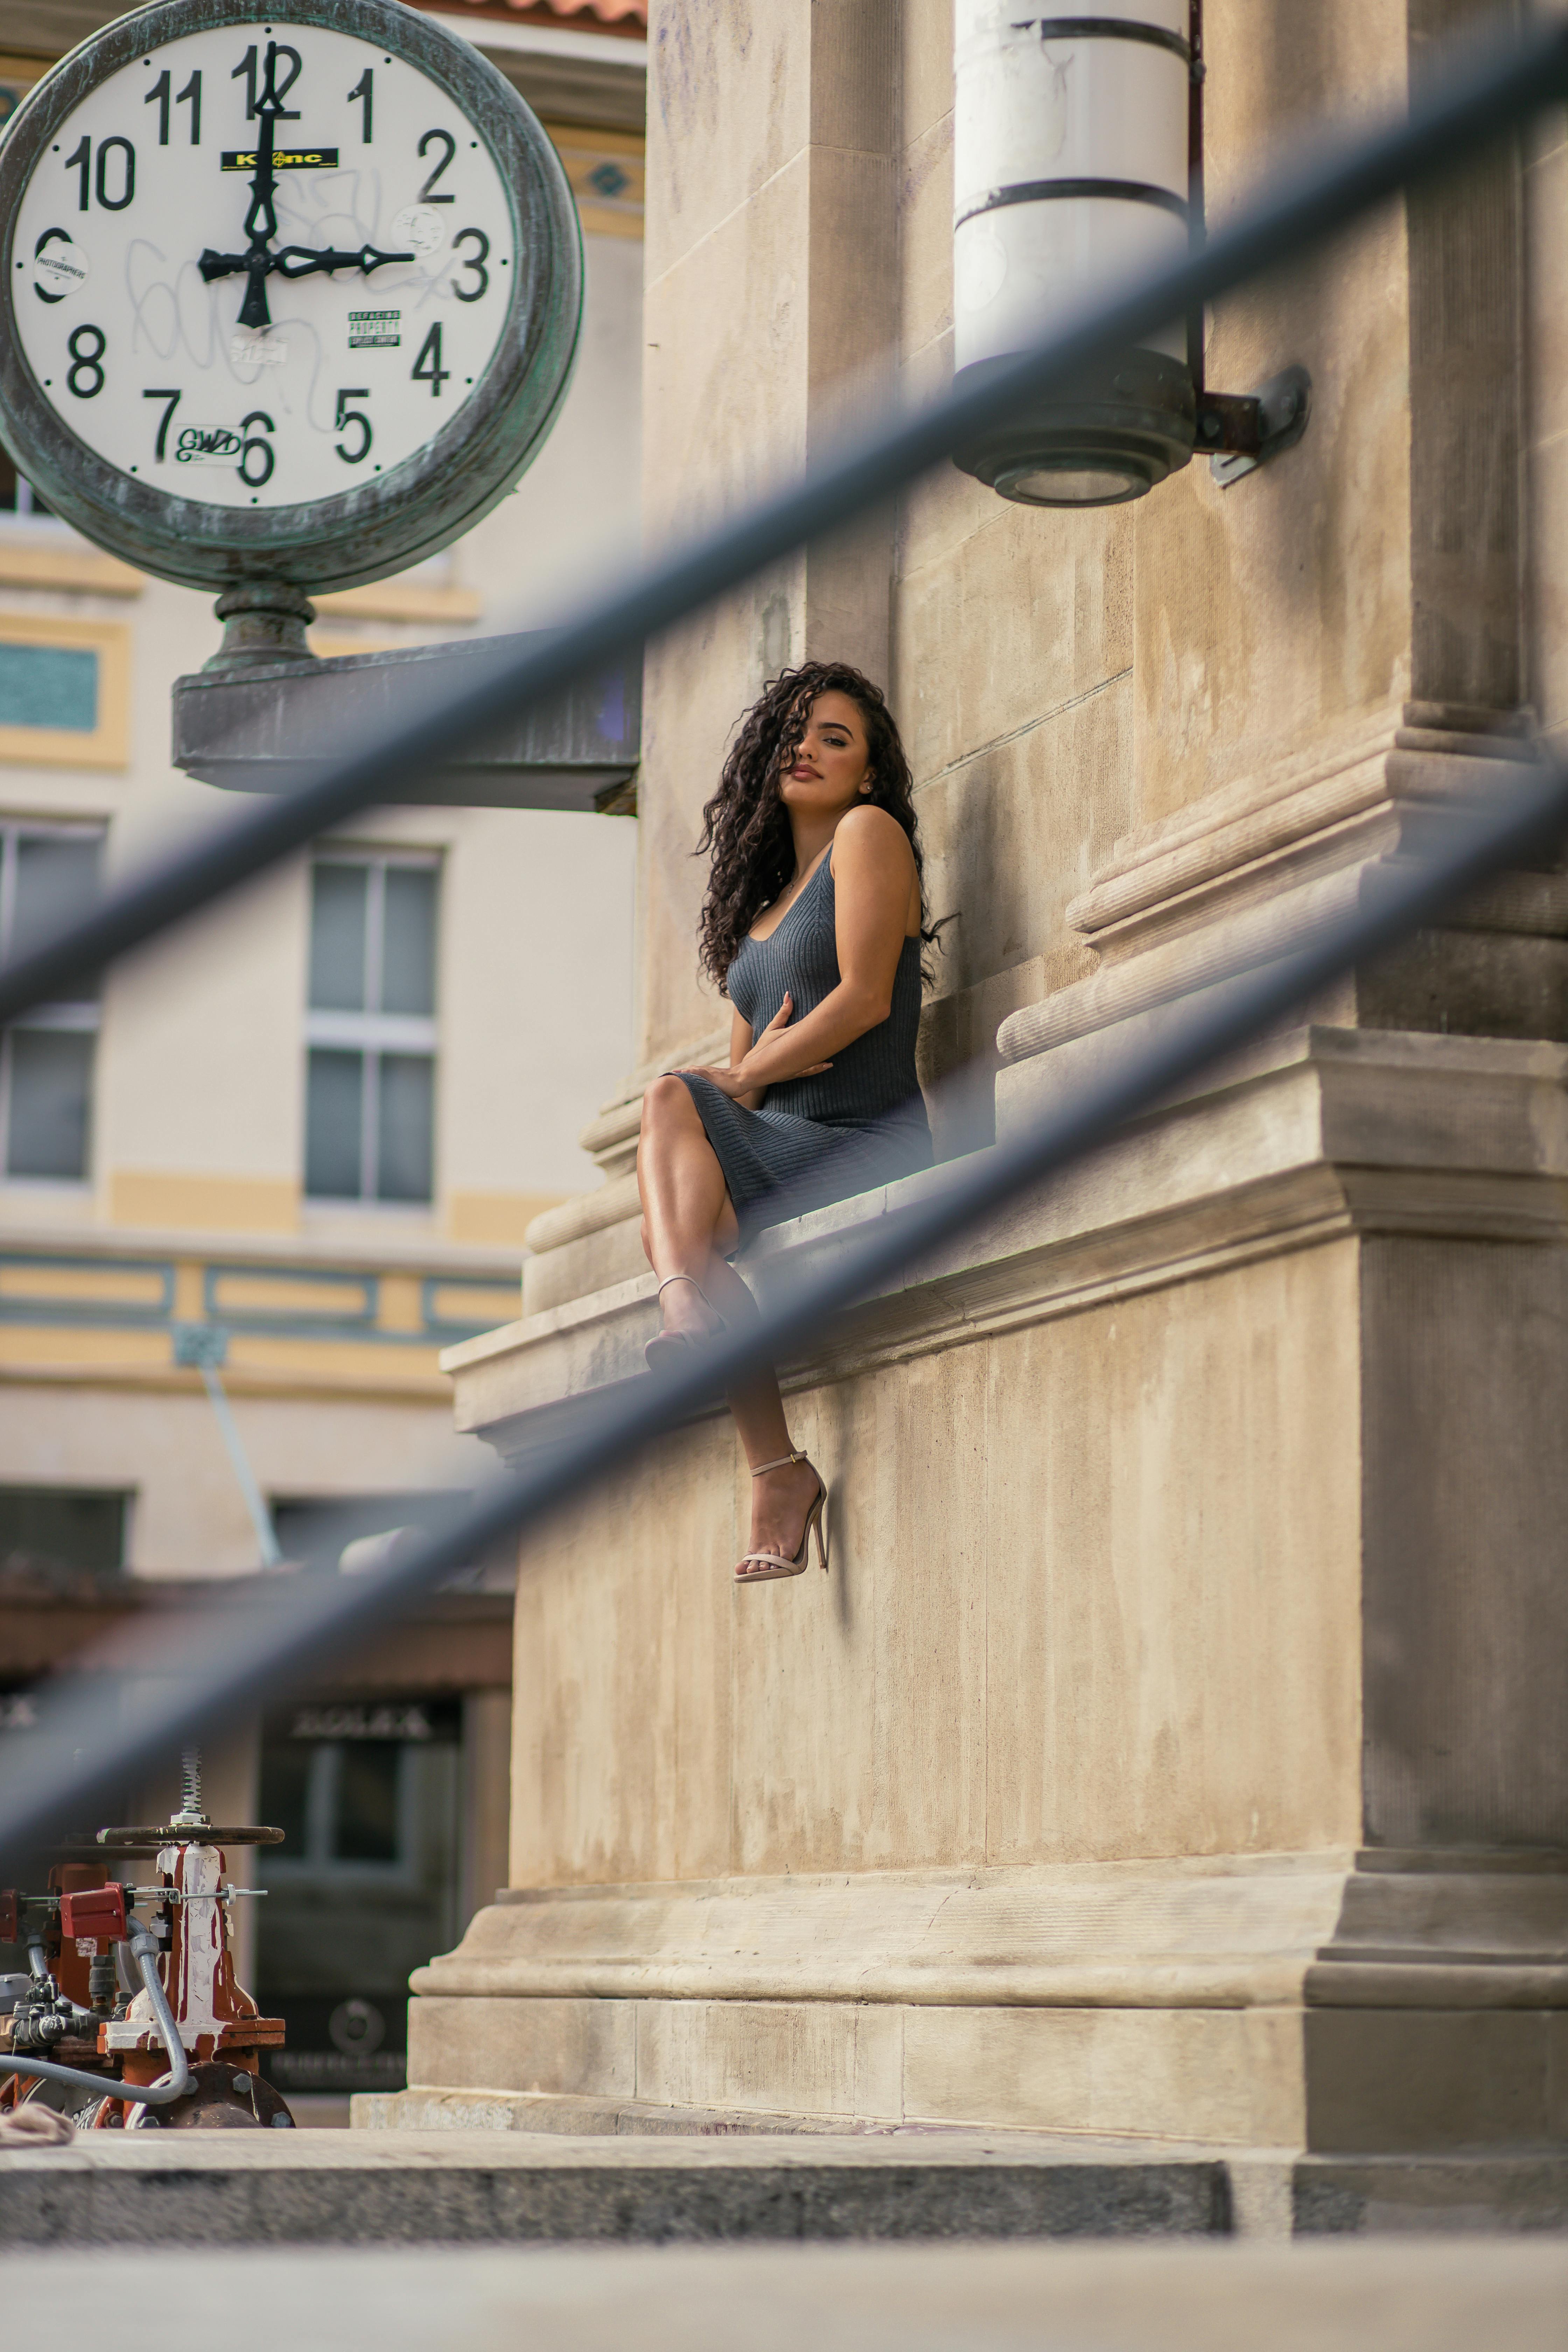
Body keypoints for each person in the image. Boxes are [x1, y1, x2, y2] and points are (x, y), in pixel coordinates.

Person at [636, 660, 938, 1585]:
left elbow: (861, 1004)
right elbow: (748, 1097)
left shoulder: (868, 834)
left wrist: (759, 1063)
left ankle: (682, 1308)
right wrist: (759, 1071)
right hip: (782, 1145)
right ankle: (776, 1468)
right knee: (699, 1227)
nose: (806, 749)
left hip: (864, 1137)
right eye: (797, 734)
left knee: (669, 1098)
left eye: (834, 739)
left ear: (869, 772)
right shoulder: (759, 918)